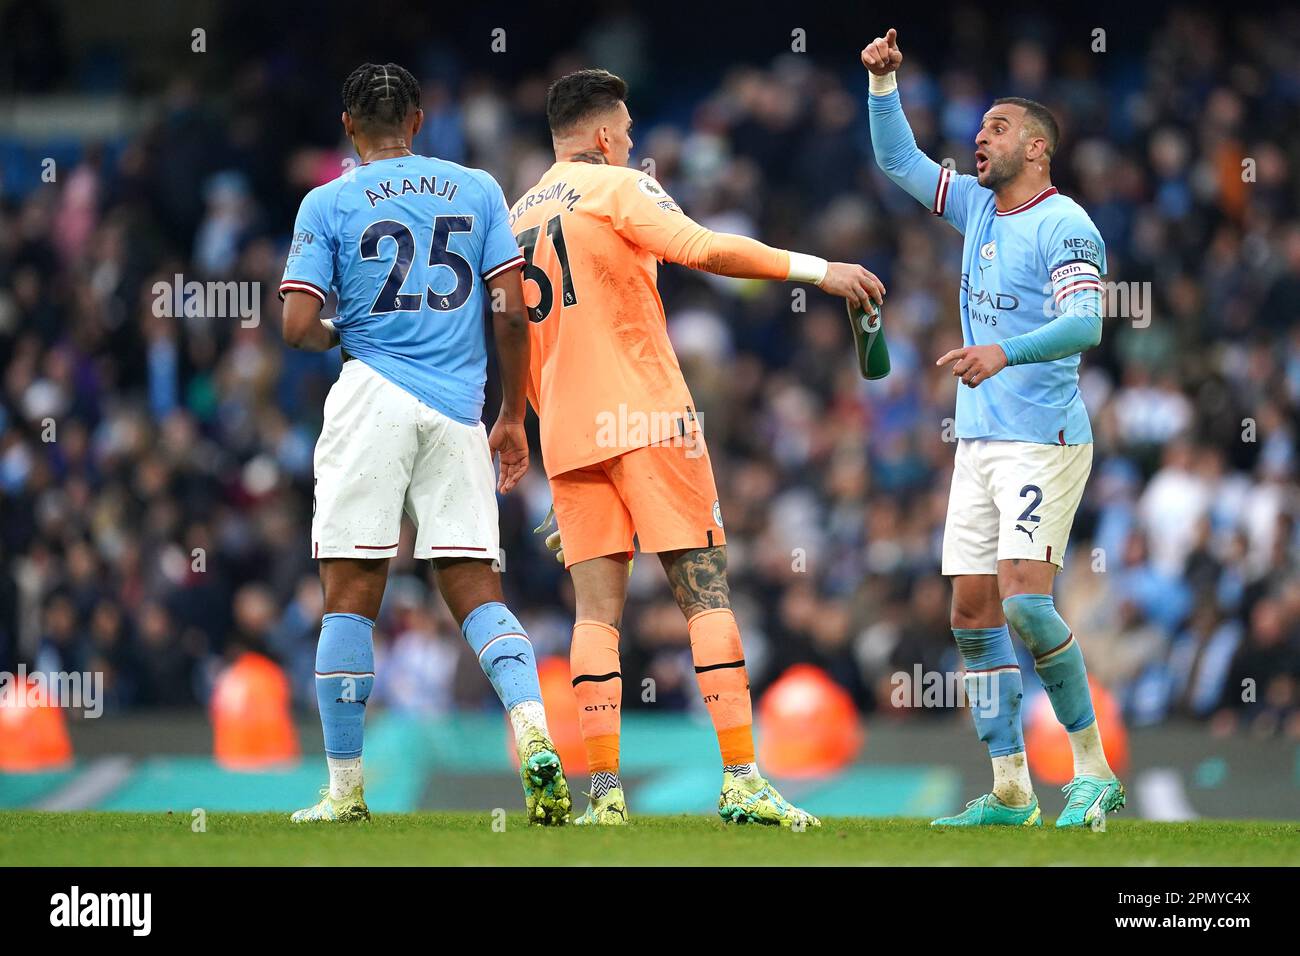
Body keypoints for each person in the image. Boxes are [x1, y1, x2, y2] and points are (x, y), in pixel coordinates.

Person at [514, 68, 885, 827]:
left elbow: (517, 348)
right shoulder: (616, 186)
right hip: (648, 414)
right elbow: (701, 248)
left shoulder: (514, 217)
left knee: (594, 617)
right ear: (603, 137)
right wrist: (819, 269)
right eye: (627, 134)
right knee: (704, 591)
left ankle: (605, 797)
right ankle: (743, 778)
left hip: (567, 431)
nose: (630, 145)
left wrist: (552, 438)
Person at [279, 62, 569, 825]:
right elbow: (511, 313)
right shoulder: (477, 189)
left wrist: (352, 335)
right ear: (419, 120)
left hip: (370, 395)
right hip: (458, 408)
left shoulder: (326, 201)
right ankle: (535, 733)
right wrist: (512, 416)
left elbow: (298, 326)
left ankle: (344, 791)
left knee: (350, 598)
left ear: (349, 126)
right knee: (476, 590)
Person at [862, 29, 1124, 828]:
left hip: (1043, 438)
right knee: (971, 613)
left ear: (1037, 147)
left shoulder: (1067, 225)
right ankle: (1011, 788)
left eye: (998, 128)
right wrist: (883, 86)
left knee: (1024, 606)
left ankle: (1093, 770)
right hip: (977, 444)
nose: (980, 137)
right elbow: (900, 164)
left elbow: (1088, 326)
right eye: (978, 129)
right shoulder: (976, 205)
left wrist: (1001, 352)